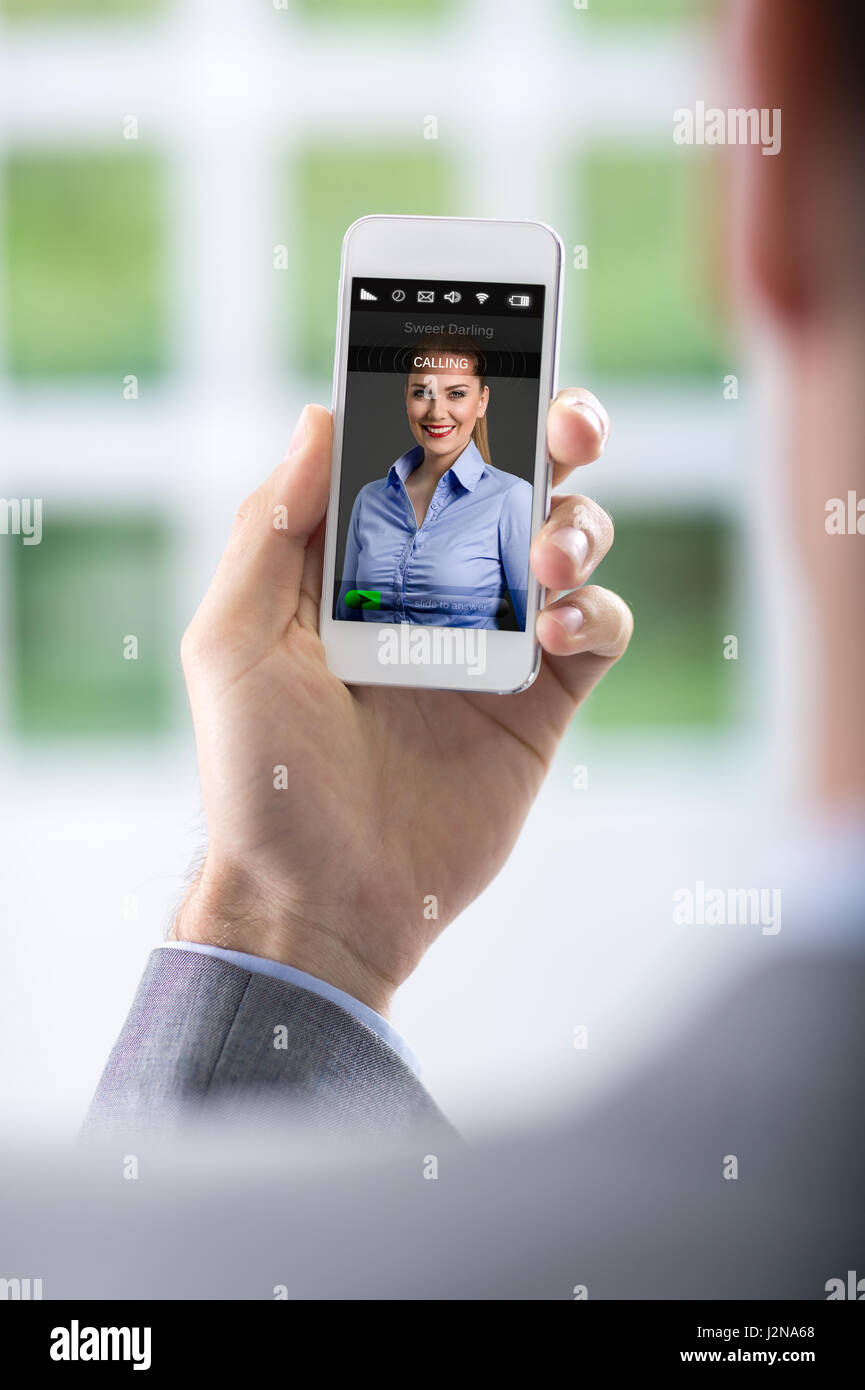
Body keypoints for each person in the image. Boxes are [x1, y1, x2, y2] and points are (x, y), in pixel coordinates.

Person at [80, 0, 864, 1299]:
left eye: (457, 390)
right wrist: (308, 912)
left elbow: (156, 1284)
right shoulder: (387, 514)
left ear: (765, 163)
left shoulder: (580, 1258)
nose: (439, 406)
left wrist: (283, 929)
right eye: (425, 389)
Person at [337, 335, 533, 628]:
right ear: (407, 398)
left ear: (482, 402)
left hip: (467, 672)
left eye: (456, 394)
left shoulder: (512, 498)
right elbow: (349, 612)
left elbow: (533, 633)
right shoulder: (370, 499)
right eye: (422, 393)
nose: (436, 412)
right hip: (365, 673)